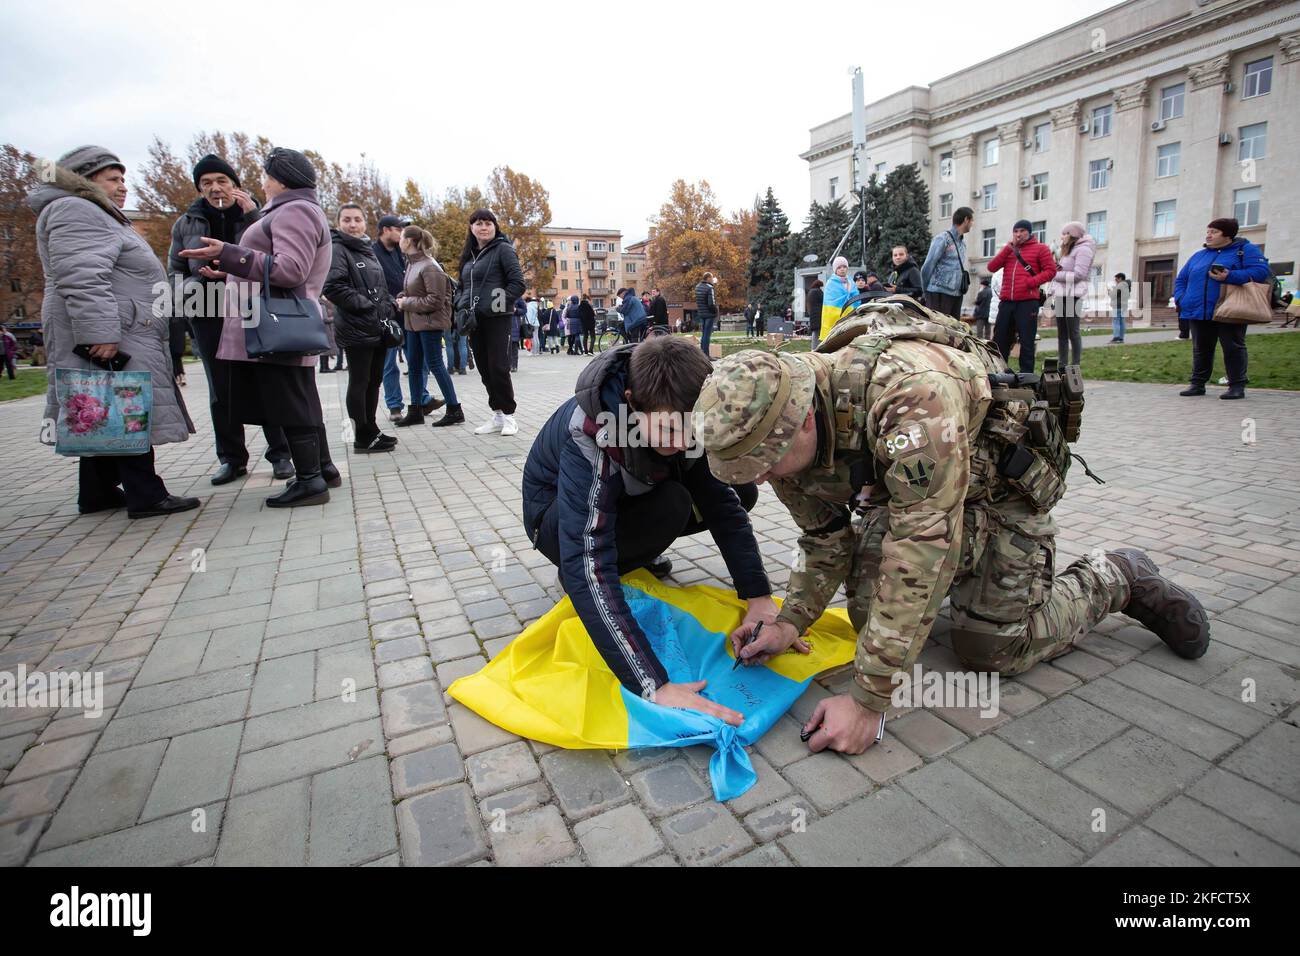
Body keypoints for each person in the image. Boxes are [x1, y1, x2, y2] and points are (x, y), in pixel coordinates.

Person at [692, 296, 1211, 755]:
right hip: (916, 497)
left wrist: (868, 702)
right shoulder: (778, 439)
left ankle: (1117, 575)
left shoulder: (912, 395)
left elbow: (922, 545)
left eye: (764, 464)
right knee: (867, 611)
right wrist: (790, 622)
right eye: (747, 470)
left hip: (1002, 495)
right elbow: (823, 537)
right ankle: (963, 589)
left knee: (992, 649)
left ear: (803, 419)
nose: (760, 479)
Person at [522, 334, 773, 724]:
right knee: (667, 507)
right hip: (556, 523)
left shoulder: (681, 420)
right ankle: (612, 565)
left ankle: (633, 550)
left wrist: (758, 596)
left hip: (622, 498)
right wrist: (653, 684)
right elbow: (586, 557)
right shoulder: (592, 432)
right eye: (669, 432)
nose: (683, 443)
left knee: (735, 490)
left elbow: (722, 507)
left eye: (692, 431)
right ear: (632, 403)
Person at [32, 146, 199, 518]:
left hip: (119, 326)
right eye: (113, 178)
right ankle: (146, 495)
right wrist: (100, 333)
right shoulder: (77, 210)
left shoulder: (93, 212)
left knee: (101, 406)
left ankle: (97, 492)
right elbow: (83, 276)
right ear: (86, 180)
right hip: (114, 331)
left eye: (124, 178)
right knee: (127, 407)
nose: (123, 186)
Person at [180, 147, 341, 506]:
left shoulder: (293, 210)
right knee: (300, 397)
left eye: (266, 175)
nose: (262, 182)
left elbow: (291, 270)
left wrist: (230, 252)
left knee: (289, 400)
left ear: (279, 180)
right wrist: (232, 267)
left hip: (279, 321)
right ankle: (323, 469)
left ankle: (310, 480)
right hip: (284, 319)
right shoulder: (296, 209)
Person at [167, 152, 293, 485]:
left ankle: (281, 454)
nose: (215, 187)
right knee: (221, 388)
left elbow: (275, 257)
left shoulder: (257, 216)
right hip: (207, 311)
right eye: (206, 182)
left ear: (235, 184)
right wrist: (197, 284)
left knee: (266, 381)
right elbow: (175, 272)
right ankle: (232, 458)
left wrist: (251, 213)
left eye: (222, 180)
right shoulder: (186, 223)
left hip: (252, 307)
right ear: (199, 189)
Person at [324, 202, 400, 454]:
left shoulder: (366, 250)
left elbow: (380, 287)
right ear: (338, 223)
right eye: (347, 219)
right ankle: (361, 436)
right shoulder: (337, 248)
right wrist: (367, 306)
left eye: (357, 219)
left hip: (376, 326)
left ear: (365, 223)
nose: (352, 224)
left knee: (373, 381)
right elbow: (333, 286)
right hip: (357, 326)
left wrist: (388, 305)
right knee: (359, 381)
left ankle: (371, 429)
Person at [1174, 218, 1270, 401]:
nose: (1208, 235)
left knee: (1233, 347)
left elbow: (1260, 271)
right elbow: (1181, 279)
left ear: (1227, 235)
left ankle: (1236, 386)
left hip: (1229, 308)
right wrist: (1181, 298)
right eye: (1208, 231)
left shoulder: (1245, 250)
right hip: (1198, 309)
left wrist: (1230, 276)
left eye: (1214, 232)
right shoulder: (1199, 255)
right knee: (1201, 348)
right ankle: (1197, 384)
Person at [459, 209, 525, 435]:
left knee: (498, 367)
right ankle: (497, 414)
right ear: (471, 228)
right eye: (478, 223)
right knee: (484, 369)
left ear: (495, 227)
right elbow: (461, 286)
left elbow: (517, 283)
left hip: (498, 318)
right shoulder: (469, 255)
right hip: (474, 321)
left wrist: (494, 305)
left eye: (488, 223)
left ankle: (509, 416)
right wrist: (460, 305)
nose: (483, 227)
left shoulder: (503, 250)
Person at [395, 225, 462, 427]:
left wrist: (406, 303)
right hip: (414, 322)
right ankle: (415, 410)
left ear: (409, 241)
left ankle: (454, 408)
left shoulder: (429, 266)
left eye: (401, 237)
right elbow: (418, 292)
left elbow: (435, 300)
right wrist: (403, 297)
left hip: (430, 323)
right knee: (414, 366)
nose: (399, 241)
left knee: (435, 364)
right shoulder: (412, 264)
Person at [989, 219, 1057, 373]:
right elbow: (991, 267)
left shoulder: (1041, 249)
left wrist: (1032, 282)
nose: (1018, 234)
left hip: (1027, 302)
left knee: (1026, 341)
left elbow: (1051, 271)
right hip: (1006, 302)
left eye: (1022, 231)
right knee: (1000, 340)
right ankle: (999, 372)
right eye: (1016, 231)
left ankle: (1026, 375)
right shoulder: (1009, 250)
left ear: (1029, 232)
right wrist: (1008, 249)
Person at [372, 214, 415, 422]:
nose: (402, 233)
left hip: (407, 313)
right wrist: (390, 301)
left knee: (417, 360)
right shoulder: (372, 253)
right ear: (386, 230)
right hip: (386, 316)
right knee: (389, 364)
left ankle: (420, 399)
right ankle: (394, 406)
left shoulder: (401, 253)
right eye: (399, 229)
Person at [1044, 222, 1095, 367]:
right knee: (1062, 333)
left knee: (1073, 332)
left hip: (1073, 296)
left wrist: (1055, 274)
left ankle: (1075, 366)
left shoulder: (1084, 249)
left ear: (1073, 235)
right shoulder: (1068, 250)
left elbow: (1079, 275)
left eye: (1065, 233)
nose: (1062, 236)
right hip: (1061, 295)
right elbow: (1066, 270)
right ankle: (1062, 365)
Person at [920, 207, 974, 319]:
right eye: (972, 220)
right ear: (966, 220)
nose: (972, 224)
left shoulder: (962, 243)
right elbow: (928, 266)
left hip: (956, 294)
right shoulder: (943, 239)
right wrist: (925, 291)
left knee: (953, 331)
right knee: (938, 329)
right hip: (938, 293)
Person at [823, 256, 854, 331]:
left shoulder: (851, 282)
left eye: (844, 267)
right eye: (839, 267)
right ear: (835, 270)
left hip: (850, 314)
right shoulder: (831, 283)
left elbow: (855, 296)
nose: (842, 269)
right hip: (834, 315)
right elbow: (830, 301)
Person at [695, 271, 719, 355]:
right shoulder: (709, 288)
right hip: (709, 314)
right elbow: (711, 303)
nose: (713, 280)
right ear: (708, 278)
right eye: (712, 278)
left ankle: (702, 354)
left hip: (701, 314)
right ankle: (706, 354)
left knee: (703, 334)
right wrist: (715, 311)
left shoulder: (697, 287)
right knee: (707, 335)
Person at [1110, 273, 1130, 343]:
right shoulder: (1127, 285)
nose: (1115, 280)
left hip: (1117, 306)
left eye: (1116, 279)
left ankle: (1116, 337)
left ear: (1120, 278)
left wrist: (1110, 291)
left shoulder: (1120, 285)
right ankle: (1121, 338)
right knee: (1122, 322)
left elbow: (1113, 295)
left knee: (1116, 322)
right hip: (1124, 306)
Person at [806, 278, 824, 348]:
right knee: (818, 332)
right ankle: (815, 347)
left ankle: (813, 347)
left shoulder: (811, 291)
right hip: (818, 314)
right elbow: (824, 301)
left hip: (813, 314)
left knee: (815, 331)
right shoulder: (818, 291)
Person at [511, 296, 526, 370]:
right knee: (505, 347)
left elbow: (524, 310)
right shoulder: (501, 294)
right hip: (504, 324)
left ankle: (514, 365)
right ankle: (508, 365)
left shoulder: (517, 296)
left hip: (515, 325)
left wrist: (516, 310)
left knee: (514, 346)